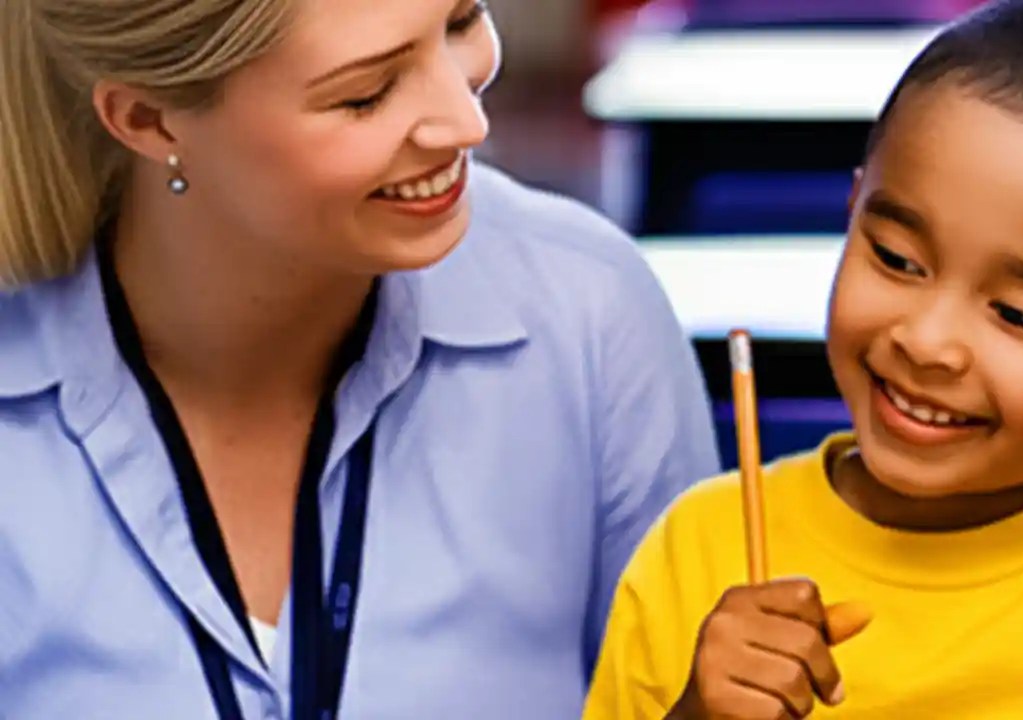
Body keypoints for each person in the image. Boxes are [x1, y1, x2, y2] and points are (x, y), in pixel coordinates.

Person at [0, 0, 720, 717]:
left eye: (463, 22)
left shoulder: (590, 316)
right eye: (365, 95)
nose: (469, 122)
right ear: (147, 121)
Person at [582, 0, 1023, 717]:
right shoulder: (703, 550)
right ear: (851, 213)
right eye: (895, 258)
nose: (927, 341)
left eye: (1019, 315)